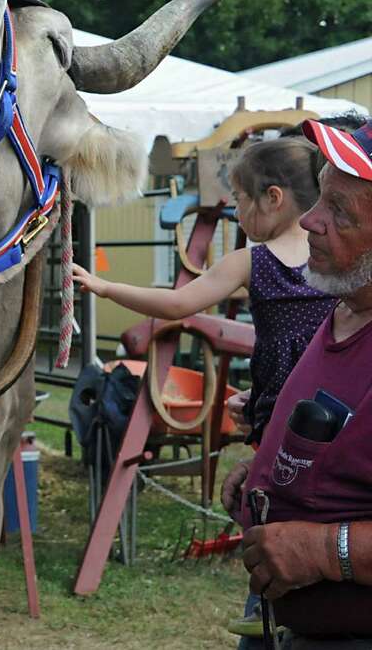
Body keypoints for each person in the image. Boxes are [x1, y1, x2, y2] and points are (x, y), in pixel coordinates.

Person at [72, 136, 335, 444]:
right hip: (334, 396)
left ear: (273, 198)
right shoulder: (337, 257)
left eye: (239, 199)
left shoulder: (251, 262)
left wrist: (107, 288)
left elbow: (175, 304)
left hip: (278, 408)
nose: (236, 213)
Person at [221, 117, 372, 647]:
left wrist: (324, 550)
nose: (309, 220)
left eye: (339, 211)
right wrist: (270, 475)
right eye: (320, 198)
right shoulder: (345, 307)